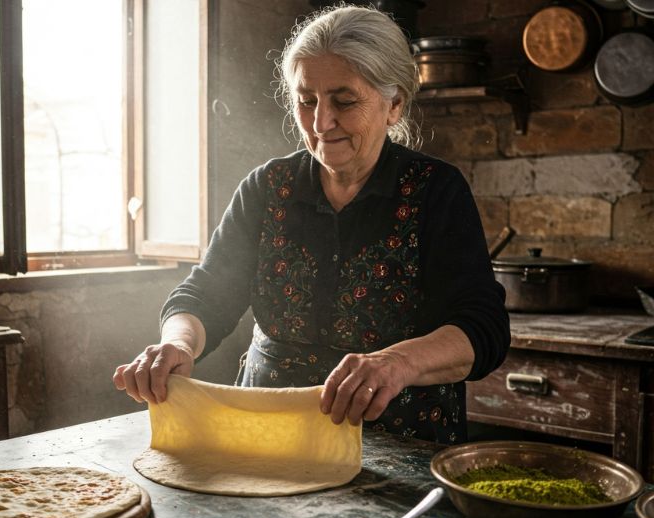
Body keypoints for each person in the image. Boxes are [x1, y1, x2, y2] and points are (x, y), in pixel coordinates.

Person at [114, 4, 510, 444]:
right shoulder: (267, 188)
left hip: (400, 441)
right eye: (306, 101)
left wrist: (396, 363)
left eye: (344, 101)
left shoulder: (435, 191)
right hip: (270, 433)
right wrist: (177, 343)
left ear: (394, 104)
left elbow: (483, 327)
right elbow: (206, 295)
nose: (321, 122)